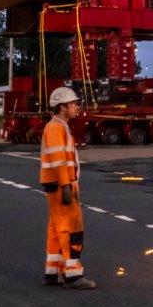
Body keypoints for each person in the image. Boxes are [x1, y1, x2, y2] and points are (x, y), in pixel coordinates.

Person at [40, 87, 95, 288]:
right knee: (72, 229)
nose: (76, 107)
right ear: (62, 107)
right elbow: (58, 160)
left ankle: (52, 272)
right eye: (73, 104)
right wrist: (65, 186)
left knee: (56, 230)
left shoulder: (60, 126)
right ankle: (73, 274)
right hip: (61, 185)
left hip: (58, 184)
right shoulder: (55, 128)